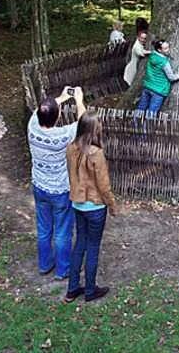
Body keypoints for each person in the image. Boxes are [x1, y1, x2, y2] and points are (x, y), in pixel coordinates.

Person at [28, 86, 87, 279]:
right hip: (60, 190)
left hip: (39, 186)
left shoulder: (32, 127)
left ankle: (45, 264)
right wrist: (78, 100)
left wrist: (60, 98)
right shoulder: (62, 135)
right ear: (57, 116)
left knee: (44, 228)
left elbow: (40, 110)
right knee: (62, 232)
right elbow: (84, 123)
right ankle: (63, 270)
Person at [64, 111, 117, 303]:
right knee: (93, 247)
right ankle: (90, 290)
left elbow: (71, 174)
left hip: (78, 205)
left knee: (80, 243)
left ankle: (72, 290)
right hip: (95, 207)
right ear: (94, 129)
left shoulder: (71, 148)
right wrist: (112, 204)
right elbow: (104, 186)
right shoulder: (96, 154)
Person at [135, 40, 179, 114]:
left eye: (168, 47)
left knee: (140, 108)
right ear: (159, 50)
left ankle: (135, 121)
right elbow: (171, 77)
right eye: (165, 48)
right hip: (159, 90)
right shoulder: (164, 62)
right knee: (151, 113)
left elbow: (151, 52)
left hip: (148, 86)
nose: (168, 50)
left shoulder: (152, 55)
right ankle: (147, 122)